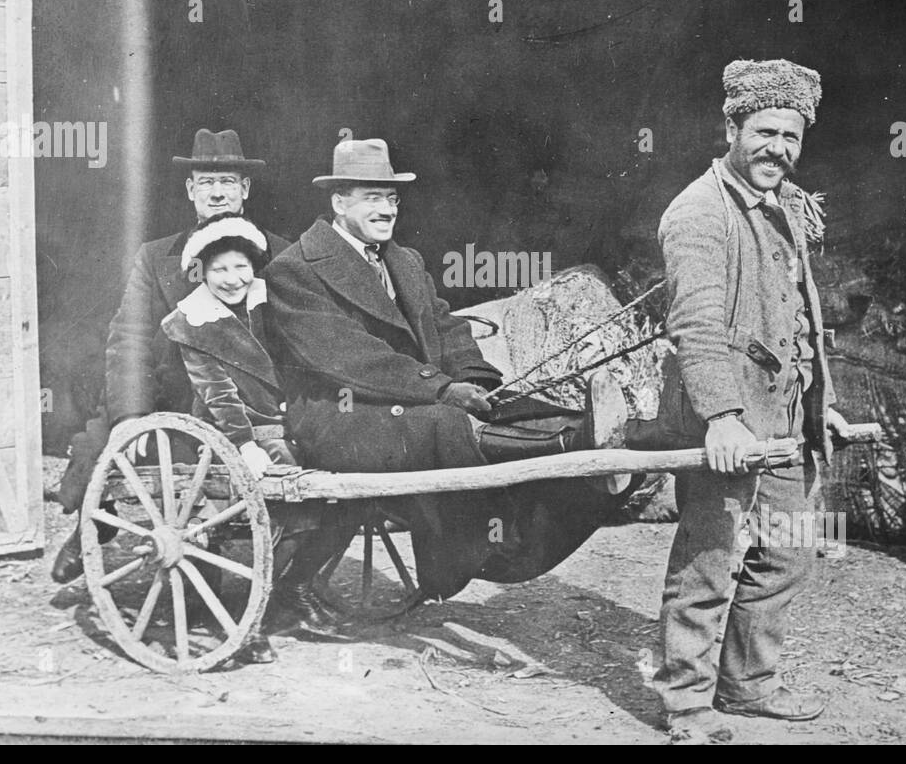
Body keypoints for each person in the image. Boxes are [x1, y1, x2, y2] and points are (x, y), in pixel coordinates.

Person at [263, 138, 630, 601]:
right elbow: (349, 357)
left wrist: (474, 379)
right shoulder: (295, 269)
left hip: (410, 399)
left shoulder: (405, 260)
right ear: (339, 202)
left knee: (510, 406)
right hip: (338, 415)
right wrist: (441, 390)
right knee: (447, 422)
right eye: (372, 197)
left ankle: (595, 439)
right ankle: (564, 455)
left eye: (392, 198)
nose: (387, 210)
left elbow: (446, 325)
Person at [644, 59, 850, 744]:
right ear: (730, 126)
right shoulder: (698, 214)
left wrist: (821, 406)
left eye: (791, 136)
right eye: (764, 131)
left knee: (788, 551)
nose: (778, 149)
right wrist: (722, 417)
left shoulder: (784, 207)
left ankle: (749, 683)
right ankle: (687, 706)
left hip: (785, 417)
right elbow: (696, 327)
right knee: (712, 559)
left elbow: (797, 318)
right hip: (729, 421)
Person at [50, 129, 288, 584]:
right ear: (190, 190)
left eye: (228, 181)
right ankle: (93, 522)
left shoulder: (278, 254)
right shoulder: (157, 257)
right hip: (170, 399)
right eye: (205, 181)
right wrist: (132, 416)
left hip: (248, 400)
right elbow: (129, 340)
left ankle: (253, 570)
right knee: (102, 448)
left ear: (245, 190)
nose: (217, 191)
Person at [161, 213, 351, 643]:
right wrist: (244, 444)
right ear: (202, 273)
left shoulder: (272, 301)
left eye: (240, 266)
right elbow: (218, 394)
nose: (232, 279)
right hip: (233, 432)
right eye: (220, 269)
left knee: (350, 485)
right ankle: (264, 607)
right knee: (300, 495)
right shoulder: (192, 322)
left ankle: (295, 586)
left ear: (254, 265)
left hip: (292, 421)